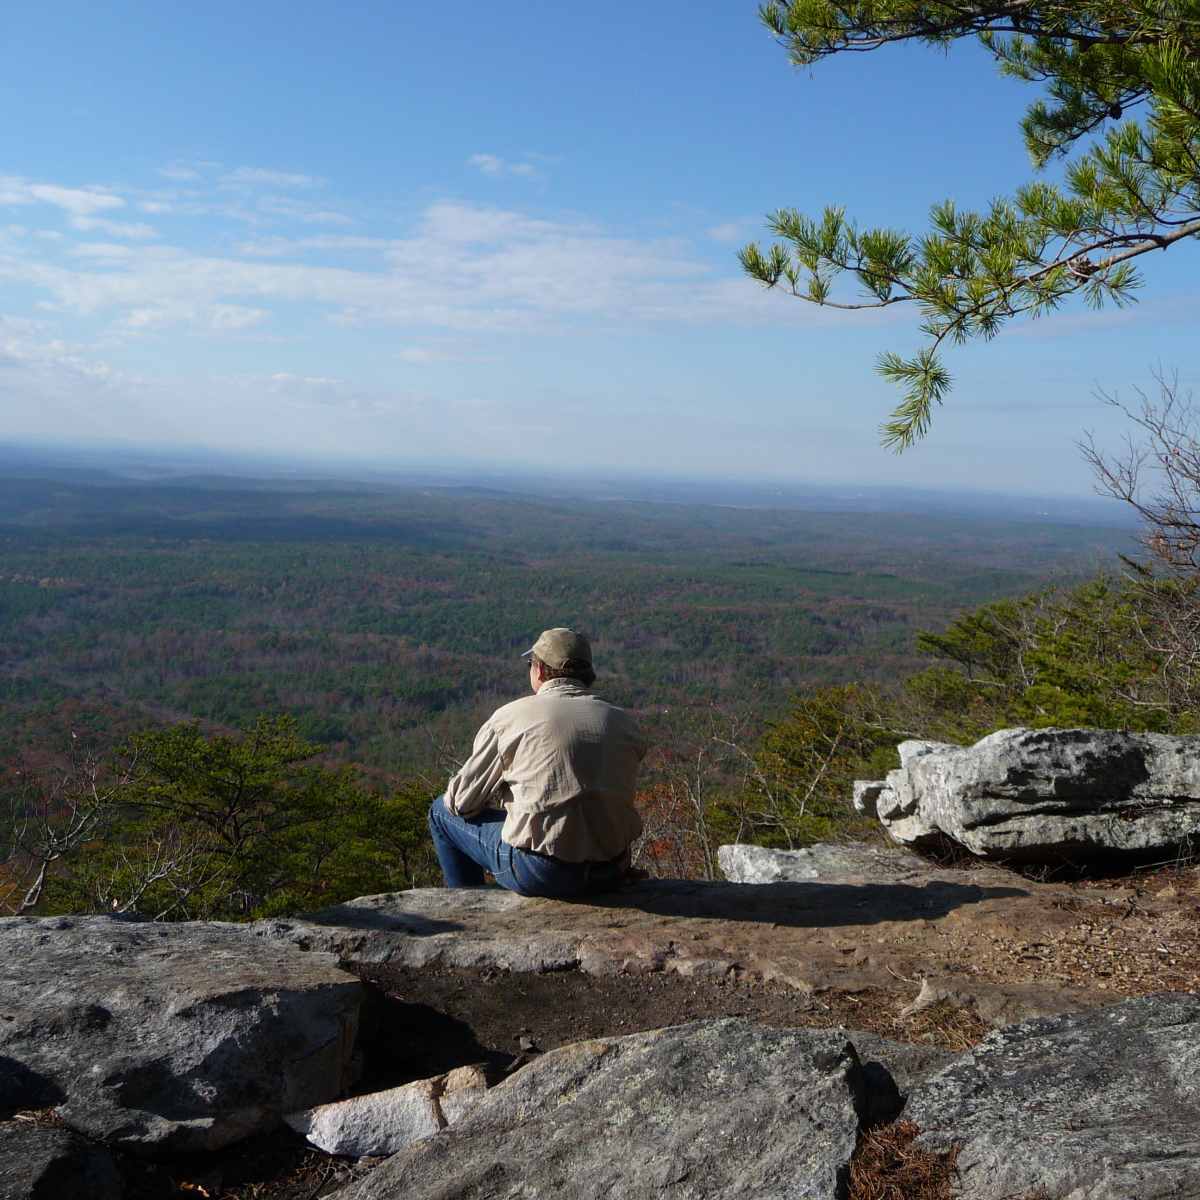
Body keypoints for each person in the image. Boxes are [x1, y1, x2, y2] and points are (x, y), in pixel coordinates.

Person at [428, 627, 646, 897]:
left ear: (540, 670)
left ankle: (467, 906)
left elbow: (461, 803)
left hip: (545, 873)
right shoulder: (624, 722)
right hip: (612, 868)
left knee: (440, 812)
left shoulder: (511, 717)